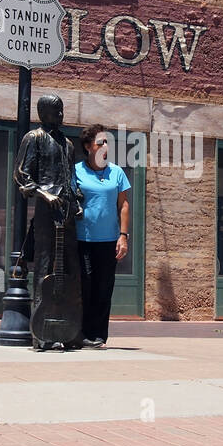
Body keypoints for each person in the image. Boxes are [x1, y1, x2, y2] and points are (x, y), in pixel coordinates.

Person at [15, 95, 84, 350]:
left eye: (62, 111)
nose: (61, 116)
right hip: (47, 212)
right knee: (44, 266)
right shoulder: (33, 138)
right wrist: (45, 194)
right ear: (43, 113)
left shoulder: (67, 143)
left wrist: (76, 203)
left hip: (66, 210)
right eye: (56, 111)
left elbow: (72, 178)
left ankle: (70, 329)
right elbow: (21, 174)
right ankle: (41, 333)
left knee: (71, 269)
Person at [73, 124, 131, 348]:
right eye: (100, 142)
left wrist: (123, 236)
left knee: (104, 287)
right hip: (83, 240)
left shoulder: (116, 172)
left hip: (108, 241)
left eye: (107, 142)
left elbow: (123, 205)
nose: (105, 146)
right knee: (85, 286)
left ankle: (98, 335)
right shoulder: (76, 171)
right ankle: (81, 332)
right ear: (88, 147)